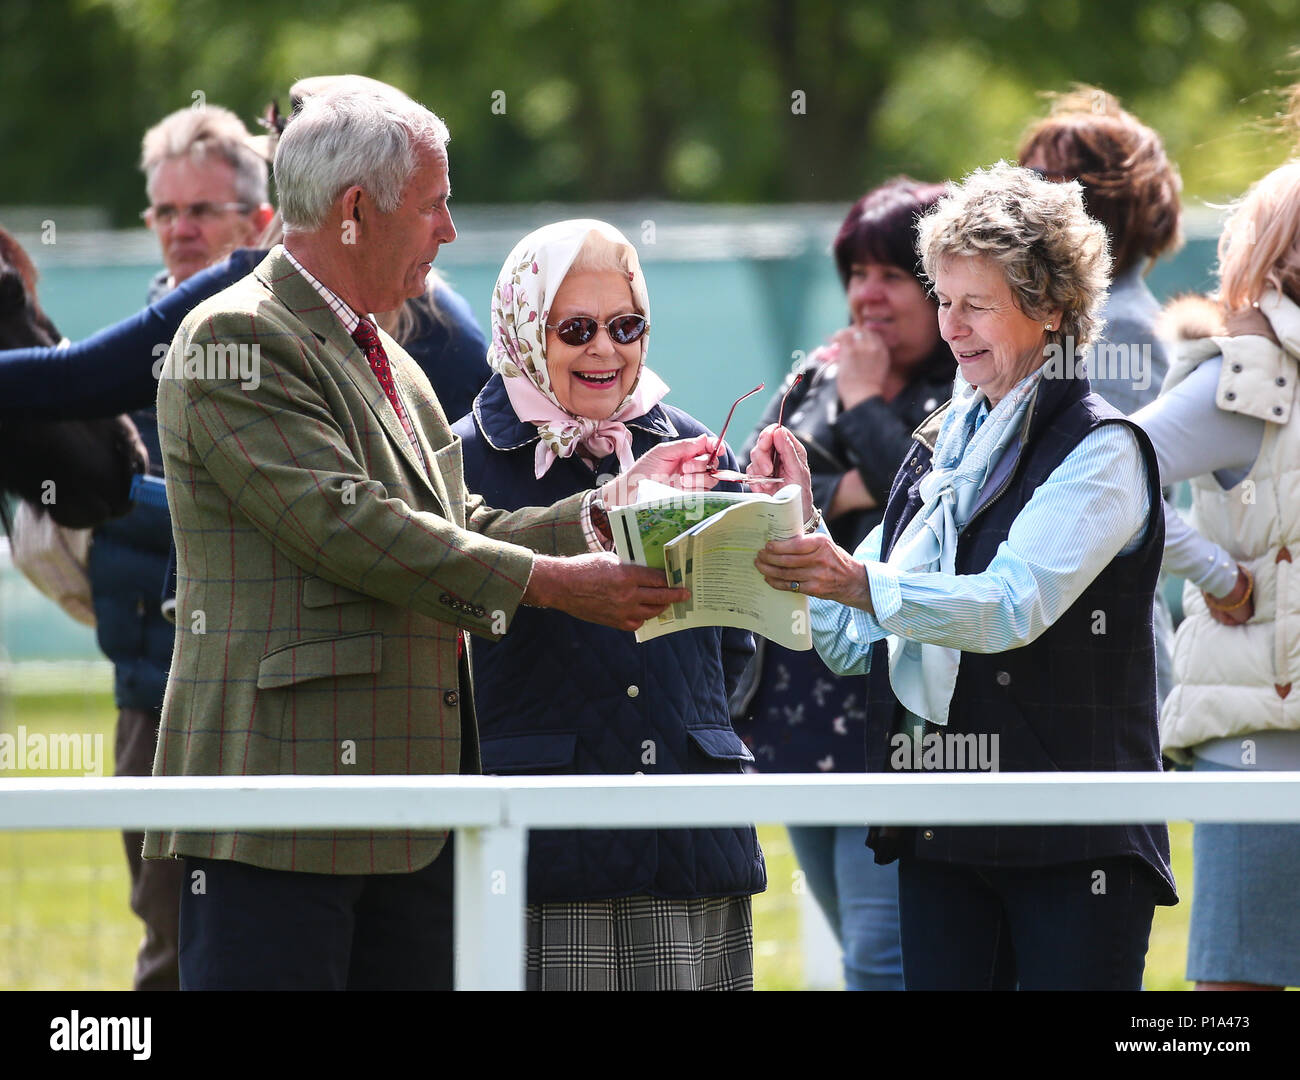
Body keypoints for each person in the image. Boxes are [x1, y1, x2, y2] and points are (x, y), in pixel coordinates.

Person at [141, 82, 713, 991]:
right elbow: (350, 526)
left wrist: (604, 514)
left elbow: (455, 524)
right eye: (435, 203)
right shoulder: (235, 340)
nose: (448, 230)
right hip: (280, 808)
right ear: (357, 212)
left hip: (412, 811)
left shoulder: (392, 361)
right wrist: (558, 584)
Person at [748, 162, 1177, 991]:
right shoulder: (943, 445)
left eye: (975, 303)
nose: (950, 326)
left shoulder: (1103, 448)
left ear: (1052, 308)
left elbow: (1006, 608)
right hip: (940, 829)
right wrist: (791, 526)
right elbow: (845, 643)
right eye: (943, 299)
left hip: (1073, 847)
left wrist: (853, 581)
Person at [453, 219, 765, 991]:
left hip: (689, 838)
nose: (606, 348)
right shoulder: (459, 459)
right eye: (576, 328)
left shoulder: (694, 445)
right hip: (538, 841)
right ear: (526, 329)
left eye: (627, 326)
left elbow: (735, 645)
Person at [733, 178, 952, 990]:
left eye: (891, 275)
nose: (867, 294)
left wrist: (863, 406)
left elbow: (933, 504)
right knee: (852, 935)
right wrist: (845, 492)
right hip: (791, 705)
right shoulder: (813, 380)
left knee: (881, 953)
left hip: (887, 715)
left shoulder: (962, 392)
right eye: (856, 272)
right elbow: (755, 493)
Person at [100, 104, 274, 992]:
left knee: (272, 942)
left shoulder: (283, 353)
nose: (180, 231)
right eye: (164, 213)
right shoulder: (121, 360)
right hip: (152, 696)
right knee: (167, 940)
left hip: (264, 699)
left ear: (261, 222)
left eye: (200, 212)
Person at [1132, 159, 1300, 991]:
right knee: (1235, 1002)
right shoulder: (1249, 375)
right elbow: (1105, 472)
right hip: (1261, 738)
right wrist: (1214, 572)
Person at [1019, 86, 1184, 705]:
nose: (1024, 201)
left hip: (1092, 664)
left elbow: (1105, 503)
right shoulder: (1073, 320)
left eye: (1047, 183)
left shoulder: (1120, 328)